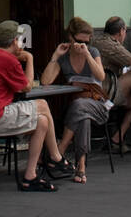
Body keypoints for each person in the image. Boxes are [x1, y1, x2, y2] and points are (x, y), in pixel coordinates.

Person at [0, 19, 74, 190]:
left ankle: (30, 177)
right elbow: (27, 86)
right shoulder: (7, 60)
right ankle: (56, 157)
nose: (21, 43)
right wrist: (29, 59)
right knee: (43, 104)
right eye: (20, 39)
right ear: (13, 41)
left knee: (42, 122)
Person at [43, 18, 107, 184]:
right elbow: (46, 81)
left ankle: (60, 150)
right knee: (82, 117)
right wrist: (55, 56)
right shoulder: (64, 57)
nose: (82, 45)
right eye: (79, 41)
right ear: (70, 37)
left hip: (99, 103)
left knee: (80, 107)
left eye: (86, 41)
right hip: (77, 108)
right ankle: (81, 167)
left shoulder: (92, 52)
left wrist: (86, 53)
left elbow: (101, 76)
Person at [91, 16, 131, 149]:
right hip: (104, 92)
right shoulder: (110, 44)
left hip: (94, 88)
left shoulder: (97, 40)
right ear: (122, 31)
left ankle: (117, 138)